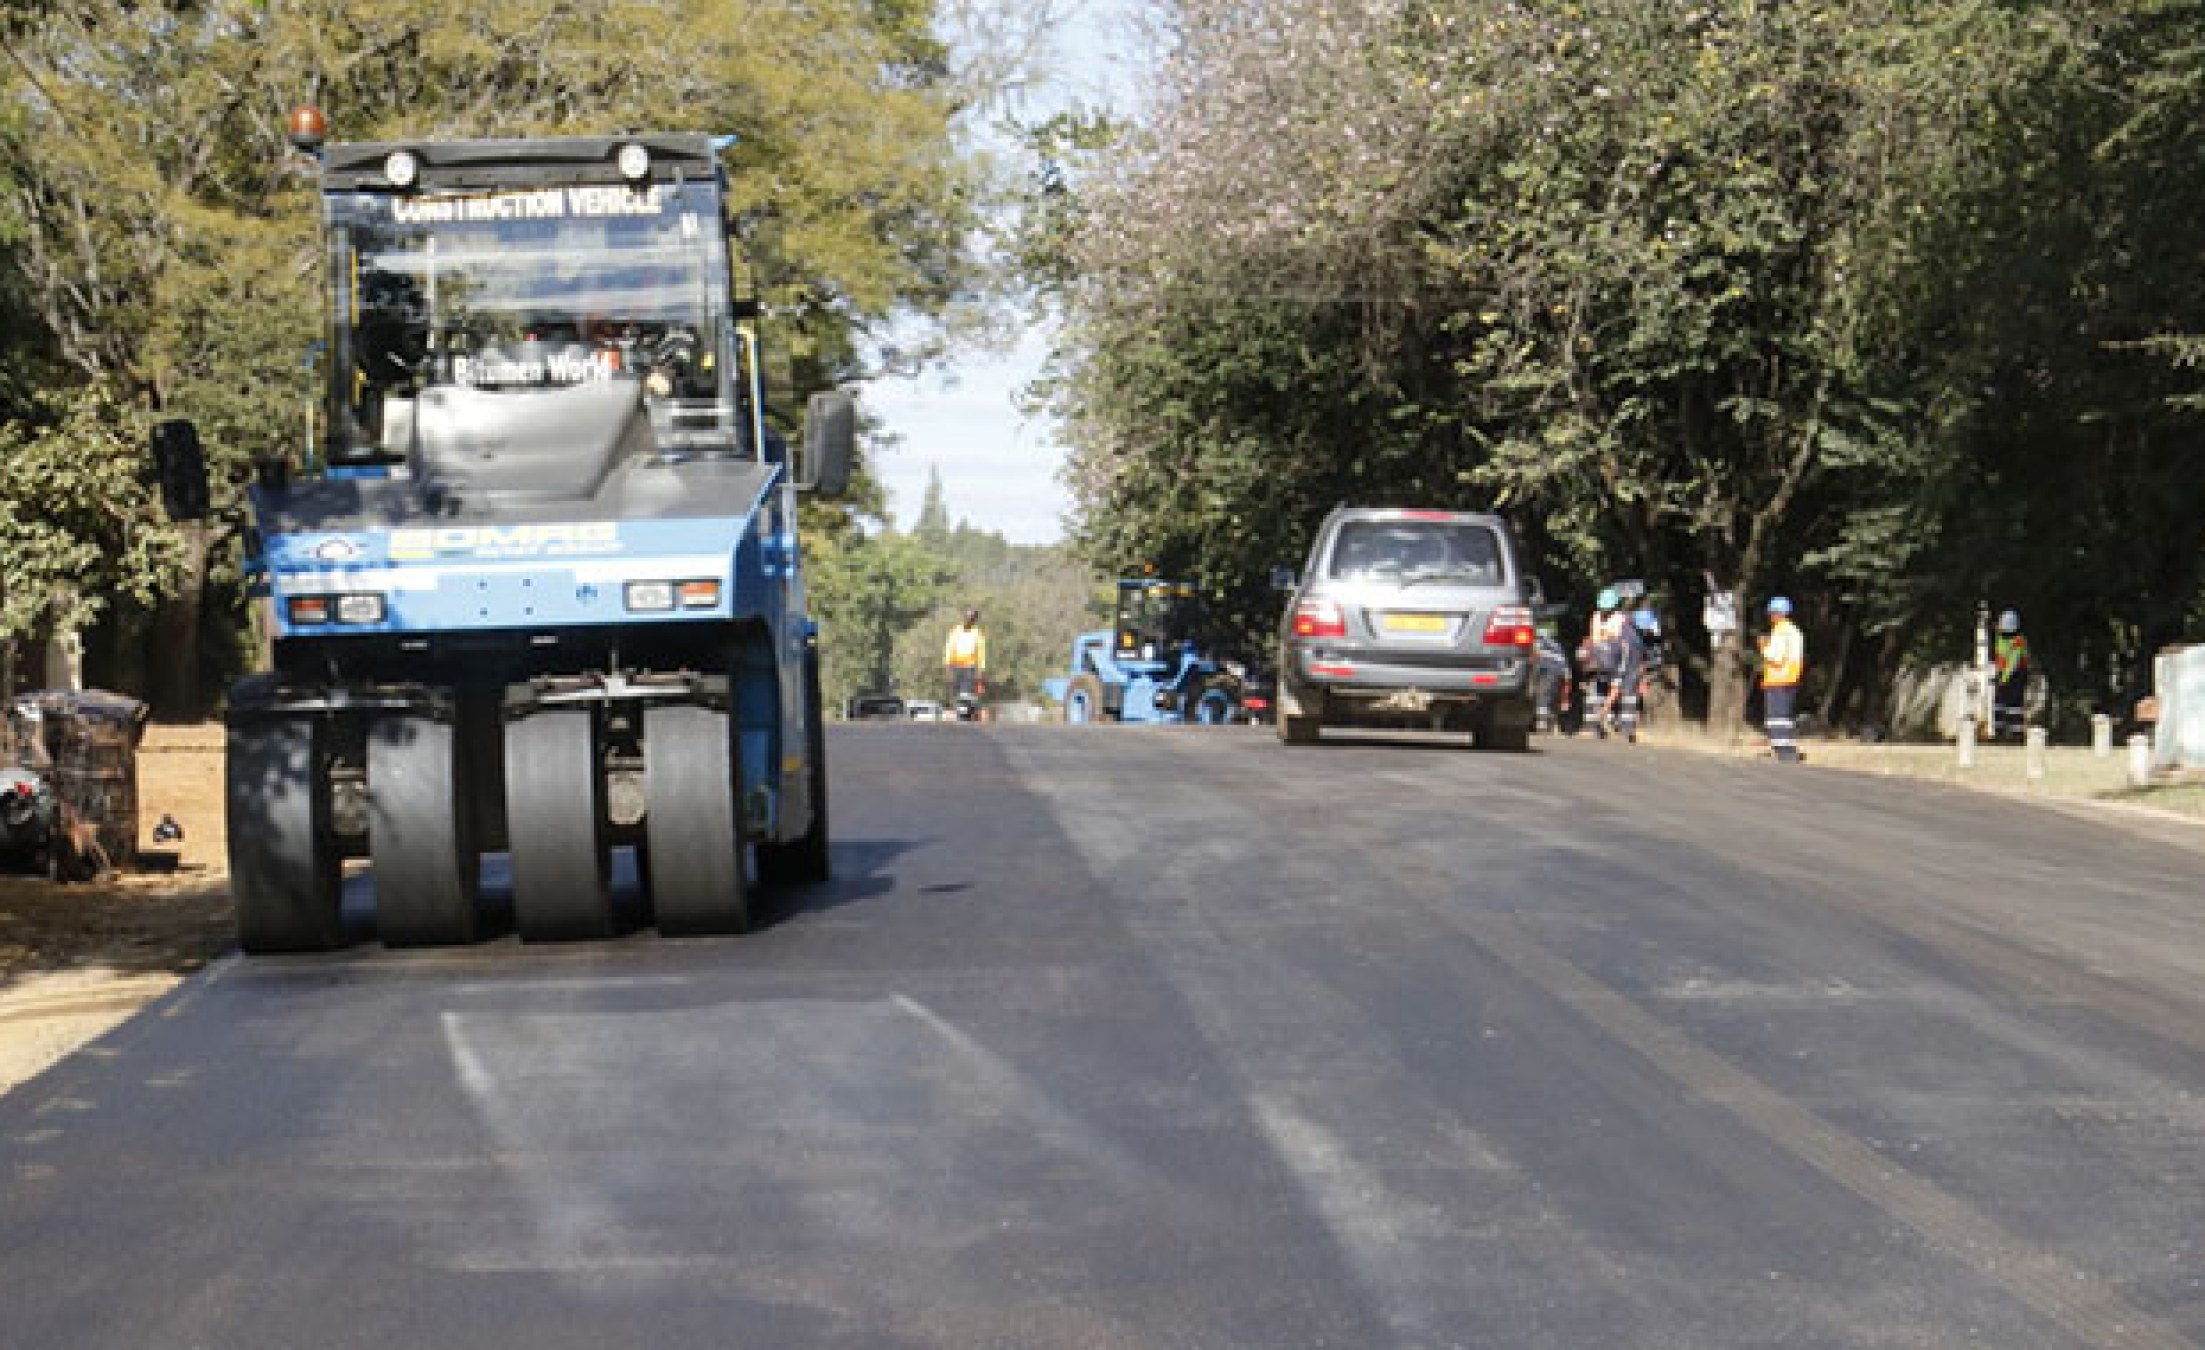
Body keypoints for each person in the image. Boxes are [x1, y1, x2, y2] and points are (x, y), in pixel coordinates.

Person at [1757, 595, 1805, 763]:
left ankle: (1783, 752)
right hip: (1791, 678)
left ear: (1777, 613)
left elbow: (1776, 657)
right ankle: (1788, 749)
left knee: (1776, 718)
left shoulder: (1780, 632)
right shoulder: (1794, 631)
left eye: (1771, 613)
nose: (1770, 616)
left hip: (1778, 678)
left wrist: (1763, 647)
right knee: (1784, 717)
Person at [1580, 588, 1626, 739]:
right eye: (1603, 607)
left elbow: (1618, 639)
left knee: (1615, 690)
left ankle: (1613, 721)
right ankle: (1598, 725)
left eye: (1608, 608)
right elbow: (1593, 638)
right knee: (1596, 692)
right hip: (1598, 660)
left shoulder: (1620, 618)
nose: (1605, 611)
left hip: (1615, 660)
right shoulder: (1596, 616)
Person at [1992, 608, 2031, 741]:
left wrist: (2003, 679)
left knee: (2014, 705)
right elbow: (2000, 658)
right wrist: (1998, 673)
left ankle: (2016, 734)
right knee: (1999, 704)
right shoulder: (2000, 638)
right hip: (2004, 673)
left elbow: (2013, 663)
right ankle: (1999, 732)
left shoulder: (2018, 641)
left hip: (2017, 675)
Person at [942, 608, 988, 710]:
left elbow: (981, 652)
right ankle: (958, 710)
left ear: (974, 620)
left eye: (971, 618)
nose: (968, 620)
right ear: (964, 618)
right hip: (956, 666)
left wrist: (981, 670)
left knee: (966, 692)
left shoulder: (978, 633)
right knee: (956, 691)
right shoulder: (955, 631)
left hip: (969, 667)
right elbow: (949, 647)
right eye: (967, 617)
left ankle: (967, 711)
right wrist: (947, 665)